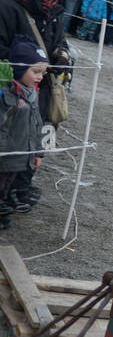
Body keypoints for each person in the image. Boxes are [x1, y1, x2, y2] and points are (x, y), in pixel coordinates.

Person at [0, 0, 70, 209]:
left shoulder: (51, 8)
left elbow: (59, 40)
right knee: (13, 138)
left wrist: (62, 53)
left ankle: (23, 184)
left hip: (44, 85)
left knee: (40, 136)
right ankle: (7, 190)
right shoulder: (8, 7)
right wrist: (25, 64)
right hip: (16, 87)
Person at [0, 35, 47, 228]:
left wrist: (37, 151)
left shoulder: (32, 93)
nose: (40, 77)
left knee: (6, 185)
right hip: (5, 153)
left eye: (42, 72)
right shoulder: (7, 93)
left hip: (20, 154)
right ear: (19, 68)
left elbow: (37, 125)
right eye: (35, 71)